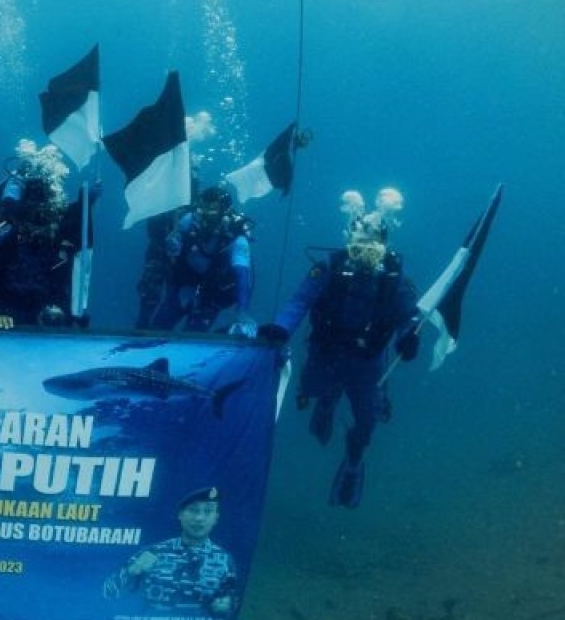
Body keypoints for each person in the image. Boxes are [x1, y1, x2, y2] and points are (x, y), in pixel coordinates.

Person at [258, 188, 420, 508]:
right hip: (327, 353)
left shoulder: (393, 277)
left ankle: (354, 461)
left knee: (367, 420)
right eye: (360, 241)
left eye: (373, 242)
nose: (366, 250)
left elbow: (408, 315)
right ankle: (328, 404)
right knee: (319, 391)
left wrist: (409, 336)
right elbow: (301, 300)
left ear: (385, 244)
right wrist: (280, 328)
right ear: (349, 239)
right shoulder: (329, 267)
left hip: (368, 361)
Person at [0, 142, 88, 330]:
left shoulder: (60, 243)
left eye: (45, 220)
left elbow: (70, 284)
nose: (39, 229)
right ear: (20, 219)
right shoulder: (2, 238)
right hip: (3, 310)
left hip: (41, 314)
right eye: (33, 220)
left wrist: (65, 312)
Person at [102, 486, 239, 617]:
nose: (199, 518)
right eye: (193, 510)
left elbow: (234, 604)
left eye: (208, 511)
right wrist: (132, 571)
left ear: (216, 517)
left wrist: (227, 607)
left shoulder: (225, 560)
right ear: (180, 514)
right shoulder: (153, 552)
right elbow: (108, 593)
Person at [146, 183, 256, 336]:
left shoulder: (237, 238)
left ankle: (220, 333)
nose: (208, 216)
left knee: (193, 336)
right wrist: (172, 246)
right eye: (204, 209)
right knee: (158, 328)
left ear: (225, 213)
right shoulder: (189, 220)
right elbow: (173, 251)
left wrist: (242, 312)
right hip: (184, 284)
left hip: (212, 293)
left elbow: (242, 274)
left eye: (213, 210)